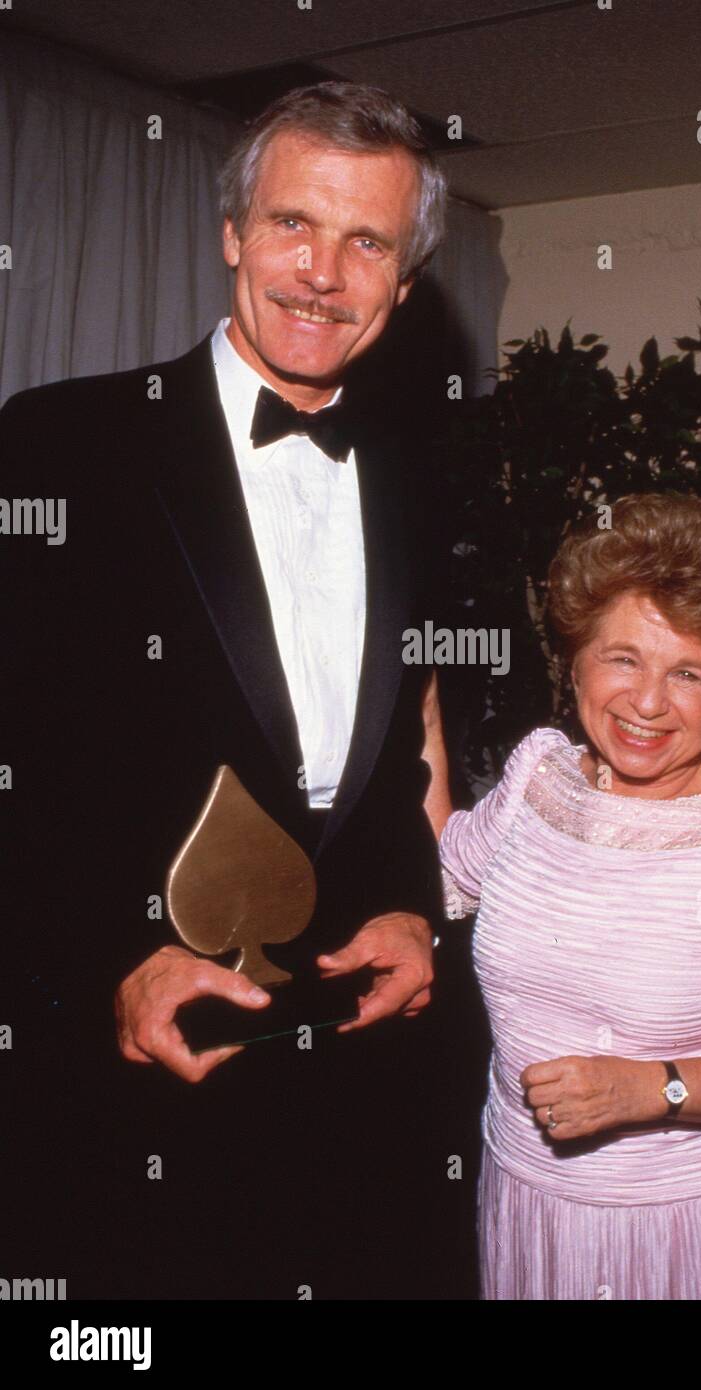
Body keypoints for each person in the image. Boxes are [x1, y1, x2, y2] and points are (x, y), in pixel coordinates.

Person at [0, 81, 475, 1300]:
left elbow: (412, 741)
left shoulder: (432, 481)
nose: (323, 272)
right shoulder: (56, 445)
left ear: (405, 280)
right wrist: (112, 959)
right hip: (137, 1061)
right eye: (292, 225)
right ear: (232, 233)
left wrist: (421, 913)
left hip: (357, 1058)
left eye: (366, 240)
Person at [438, 492, 701, 1300]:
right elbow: (445, 873)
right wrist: (411, 707)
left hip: (683, 1230)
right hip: (523, 1201)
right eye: (624, 658)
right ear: (576, 659)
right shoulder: (539, 777)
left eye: (689, 673)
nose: (645, 702)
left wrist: (652, 1086)